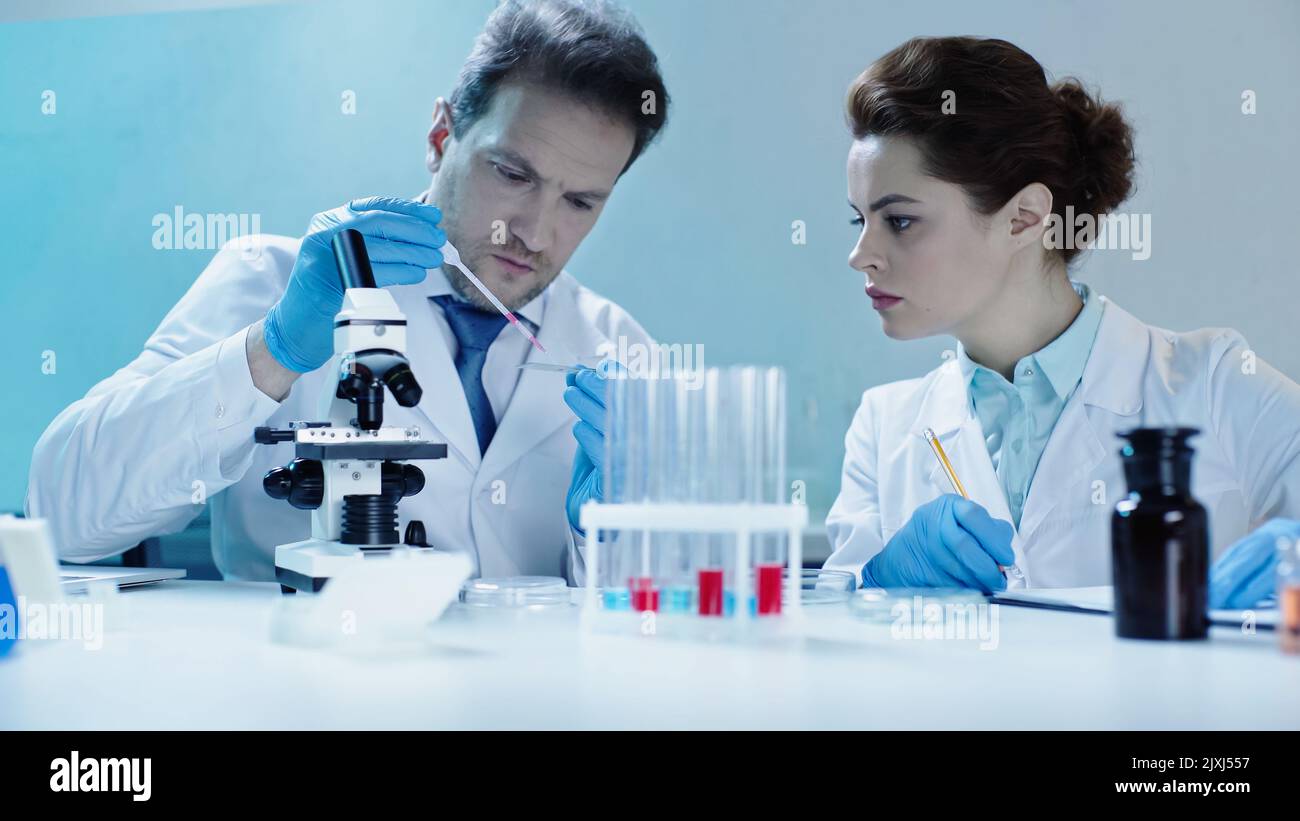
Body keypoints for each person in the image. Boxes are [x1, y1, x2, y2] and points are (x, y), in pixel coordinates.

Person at [26, 0, 668, 582]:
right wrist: (272, 350)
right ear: (442, 139)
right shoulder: (272, 281)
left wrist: (614, 532)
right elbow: (63, 512)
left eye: (580, 201)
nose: (533, 232)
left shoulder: (617, 351)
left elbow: (664, 629)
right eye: (512, 173)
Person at [820, 36, 1300, 608]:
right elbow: (828, 640)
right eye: (860, 220)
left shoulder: (1215, 382)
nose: (861, 255)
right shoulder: (883, 427)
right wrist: (877, 581)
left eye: (898, 220)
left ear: (1024, 218)